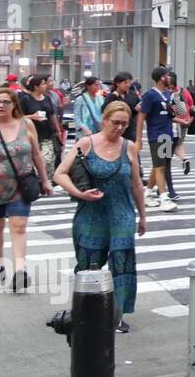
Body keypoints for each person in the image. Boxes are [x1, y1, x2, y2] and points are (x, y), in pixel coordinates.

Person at [54, 100, 146, 333]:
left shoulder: (129, 147)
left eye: (124, 124)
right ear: (104, 120)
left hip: (122, 214)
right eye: (115, 122)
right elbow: (60, 173)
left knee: (122, 263)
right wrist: (79, 194)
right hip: (91, 214)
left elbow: (136, 184)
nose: (119, 128)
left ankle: (117, 314)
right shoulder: (85, 144)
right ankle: (85, 309)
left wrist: (143, 216)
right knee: (87, 264)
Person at [0, 87, 51, 291]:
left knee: (19, 226)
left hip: (20, 185)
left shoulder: (27, 124)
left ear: (14, 104)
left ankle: (19, 271)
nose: (0, 105)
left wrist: (45, 180)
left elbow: (36, 155)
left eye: (5, 102)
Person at [137, 66, 179, 211]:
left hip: (168, 134)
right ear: (162, 77)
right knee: (160, 167)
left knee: (159, 165)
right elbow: (141, 117)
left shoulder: (168, 94)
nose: (169, 78)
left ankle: (147, 194)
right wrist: (139, 139)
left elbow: (178, 112)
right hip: (157, 135)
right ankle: (164, 197)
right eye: (167, 75)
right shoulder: (150, 95)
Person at [18, 74, 62, 181]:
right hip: (30, 134)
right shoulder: (26, 99)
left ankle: (45, 180)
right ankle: (36, 180)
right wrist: (32, 117)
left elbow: (51, 115)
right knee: (33, 160)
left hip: (46, 133)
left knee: (47, 159)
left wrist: (58, 131)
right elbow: (18, 117)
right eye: (42, 84)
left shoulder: (47, 98)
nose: (45, 86)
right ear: (36, 86)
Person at [167, 73, 195, 175]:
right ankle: (184, 160)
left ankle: (166, 170)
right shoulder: (184, 91)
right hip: (184, 122)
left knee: (171, 146)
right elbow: (191, 106)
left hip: (173, 123)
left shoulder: (168, 93)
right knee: (178, 144)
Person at [73, 76, 104, 141]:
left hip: (99, 130)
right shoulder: (80, 99)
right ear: (88, 86)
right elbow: (77, 117)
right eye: (96, 85)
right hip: (85, 131)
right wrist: (83, 128)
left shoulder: (101, 98)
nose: (98, 87)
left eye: (99, 85)